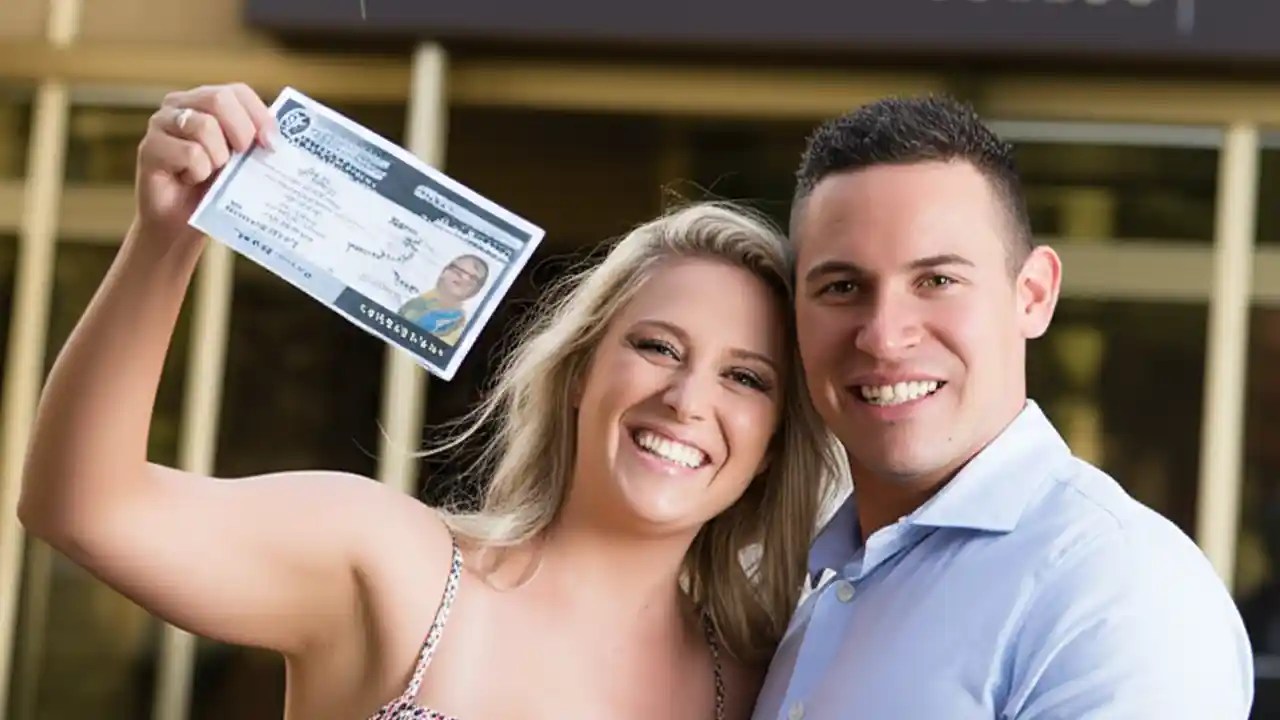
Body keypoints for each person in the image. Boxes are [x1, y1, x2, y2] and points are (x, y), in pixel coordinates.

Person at [17, 84, 843, 720]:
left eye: (747, 377)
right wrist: (165, 239)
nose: (687, 397)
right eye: (657, 346)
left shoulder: (763, 681)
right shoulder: (392, 566)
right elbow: (84, 508)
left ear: (774, 438)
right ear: (582, 372)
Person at [753, 96, 1255, 719]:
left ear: (1033, 295)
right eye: (842, 287)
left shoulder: (1119, 589)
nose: (884, 335)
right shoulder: (808, 593)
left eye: (937, 280)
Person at [398, 254, 489, 345]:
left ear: (476, 291)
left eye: (472, 279)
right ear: (444, 272)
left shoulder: (456, 328)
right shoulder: (418, 302)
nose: (464, 278)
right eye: (459, 272)